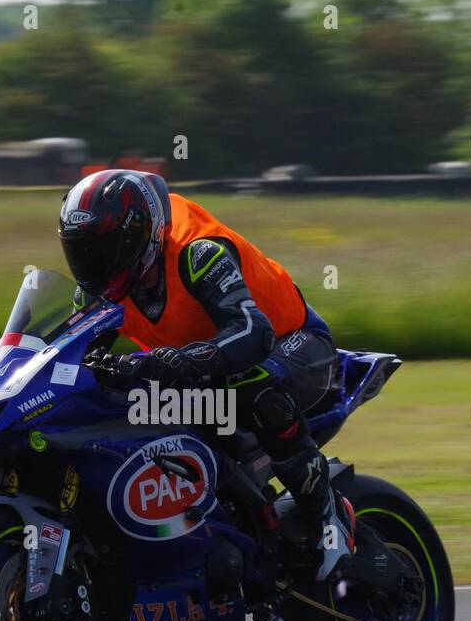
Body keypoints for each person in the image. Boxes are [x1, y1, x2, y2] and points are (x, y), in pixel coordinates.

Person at [57, 169, 353, 580]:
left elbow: (254, 332)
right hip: (211, 365)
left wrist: (171, 361)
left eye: (103, 250)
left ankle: (327, 512)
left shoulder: (197, 253)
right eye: (82, 252)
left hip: (298, 345)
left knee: (249, 383)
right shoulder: (97, 290)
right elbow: (65, 354)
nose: (93, 266)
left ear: (138, 236)